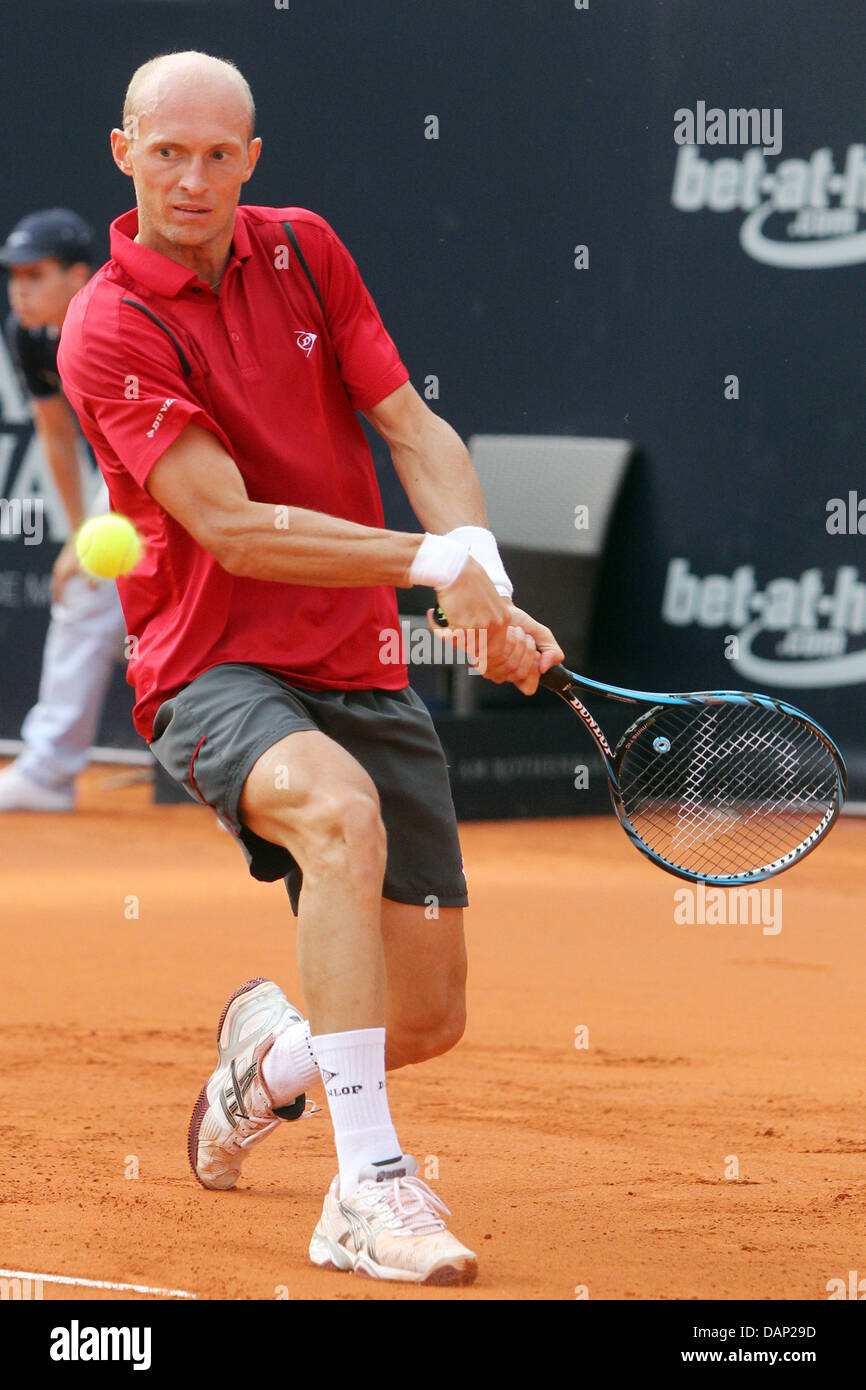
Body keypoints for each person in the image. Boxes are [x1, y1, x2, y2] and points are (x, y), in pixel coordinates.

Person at [58, 50, 564, 1285]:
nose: (192, 175)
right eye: (165, 151)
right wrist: (431, 561)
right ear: (123, 152)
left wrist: (481, 576)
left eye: (218, 152)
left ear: (252, 159)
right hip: (212, 667)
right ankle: (365, 1188)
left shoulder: (303, 249)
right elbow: (229, 527)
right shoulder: (108, 325)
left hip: (355, 659)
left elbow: (409, 422)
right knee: (336, 819)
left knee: (429, 1017)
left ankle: (272, 1061)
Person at [0, 209, 127, 812]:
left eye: (35, 274)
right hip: (128, 467)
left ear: (78, 277)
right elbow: (56, 433)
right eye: (14, 276)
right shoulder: (28, 333)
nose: (19, 289)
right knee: (87, 584)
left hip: (197, 454)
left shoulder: (121, 321)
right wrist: (82, 536)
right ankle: (48, 772)